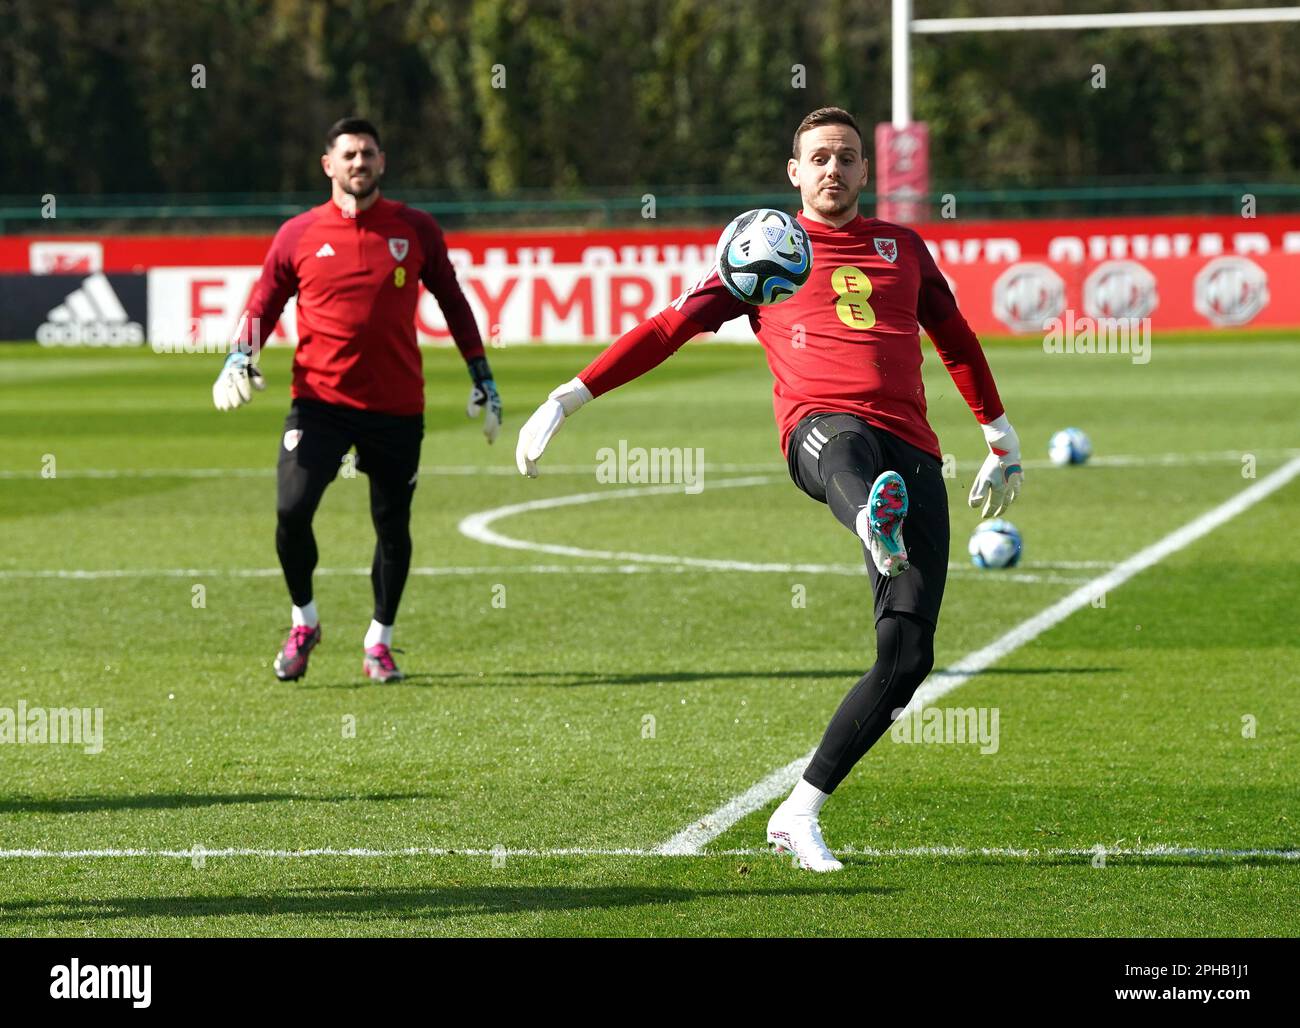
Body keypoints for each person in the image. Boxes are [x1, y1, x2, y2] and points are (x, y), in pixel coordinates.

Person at [514, 107, 1022, 871]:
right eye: (818, 157)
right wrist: (569, 396)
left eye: (847, 158)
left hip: (916, 449)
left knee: (907, 654)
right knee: (848, 456)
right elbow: (667, 327)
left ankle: (799, 810)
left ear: (864, 171)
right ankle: (868, 524)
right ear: (794, 172)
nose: (833, 169)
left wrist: (1000, 436)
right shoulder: (763, 249)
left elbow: (956, 340)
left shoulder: (903, 248)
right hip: (822, 430)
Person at [213, 117, 500, 684]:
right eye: (348, 154)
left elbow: (454, 301)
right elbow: (263, 302)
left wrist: (482, 375)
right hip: (318, 401)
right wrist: (238, 356)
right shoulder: (296, 233)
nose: (358, 163)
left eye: (368, 153)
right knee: (292, 511)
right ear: (329, 165)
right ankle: (304, 621)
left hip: (396, 407)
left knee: (392, 525)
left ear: (382, 162)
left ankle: (380, 640)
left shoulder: (415, 228)